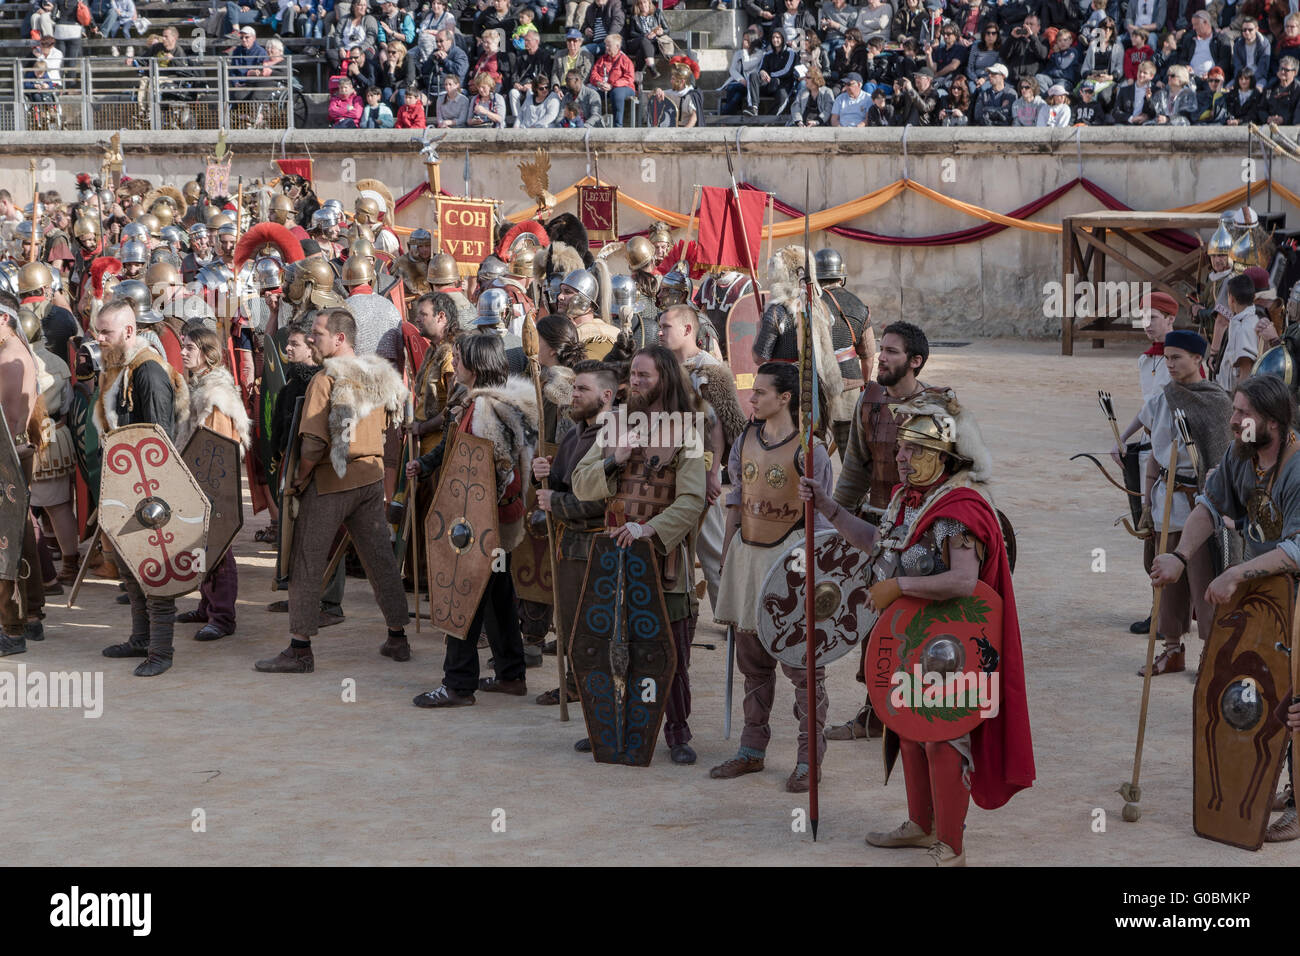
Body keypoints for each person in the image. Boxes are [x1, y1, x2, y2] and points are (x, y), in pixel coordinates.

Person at [800, 387, 1034, 865]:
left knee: (943, 734)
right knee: (907, 727)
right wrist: (828, 506)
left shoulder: (959, 510)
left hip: (951, 646)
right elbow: (877, 542)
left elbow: (965, 580)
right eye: (901, 448)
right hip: (913, 636)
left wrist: (898, 587)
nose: (901, 457)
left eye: (913, 450)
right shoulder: (911, 499)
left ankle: (951, 845)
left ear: (942, 458)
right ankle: (921, 825)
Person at [1149, 373, 1300, 843]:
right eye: (1233, 411)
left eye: (1242, 414)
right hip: (1269, 594)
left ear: (1272, 422)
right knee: (1266, 690)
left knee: (1298, 698)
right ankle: (1283, 783)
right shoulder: (1241, 456)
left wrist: (1236, 572)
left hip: (1296, 591)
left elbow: (1299, 545)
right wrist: (1179, 556)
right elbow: (1210, 510)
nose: (1233, 422)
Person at [570, 346, 708, 763]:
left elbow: (692, 498)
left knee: (668, 652)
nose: (637, 382)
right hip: (615, 557)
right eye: (633, 374)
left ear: (665, 378)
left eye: (645, 375)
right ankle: (608, 722)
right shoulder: (615, 425)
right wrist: (614, 459)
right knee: (612, 644)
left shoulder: (687, 430)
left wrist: (649, 529)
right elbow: (581, 484)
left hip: (662, 561)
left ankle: (677, 733)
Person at [255, 307, 411, 674]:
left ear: (340, 339)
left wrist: (300, 477)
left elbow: (312, 442)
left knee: (307, 561)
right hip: (369, 478)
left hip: (330, 479)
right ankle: (398, 636)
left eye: (318, 333)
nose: (312, 338)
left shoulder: (325, 380)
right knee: (379, 559)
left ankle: (300, 647)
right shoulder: (376, 373)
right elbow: (389, 425)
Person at [711, 362, 835, 791]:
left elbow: (824, 519)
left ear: (785, 398)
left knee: (802, 667)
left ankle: (809, 759)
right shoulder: (744, 439)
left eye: (761, 393)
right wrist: (727, 556)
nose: (753, 399)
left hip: (791, 565)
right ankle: (752, 749)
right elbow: (735, 501)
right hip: (747, 558)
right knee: (753, 664)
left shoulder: (810, 450)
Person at [408, 333, 539, 707]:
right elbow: (457, 445)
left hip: (484, 525)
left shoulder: (487, 409)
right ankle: (511, 674)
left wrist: (474, 521)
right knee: (497, 597)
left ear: (476, 365)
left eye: (461, 359)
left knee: (463, 596)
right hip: (494, 523)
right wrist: (428, 463)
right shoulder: (478, 403)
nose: (455, 364)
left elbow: (498, 469)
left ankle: (458, 684)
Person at [824, 320, 931, 740]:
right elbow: (853, 474)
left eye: (892, 352)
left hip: (923, 530)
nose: (881, 357)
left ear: (915, 362)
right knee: (874, 625)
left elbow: (962, 475)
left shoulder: (941, 406)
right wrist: (835, 529)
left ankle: (917, 711)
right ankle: (874, 711)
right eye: (881, 349)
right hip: (875, 528)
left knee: (918, 624)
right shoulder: (867, 402)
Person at [92, 298, 189, 675]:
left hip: (151, 490)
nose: (99, 339)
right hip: (128, 485)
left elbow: (159, 441)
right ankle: (141, 638)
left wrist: (153, 497)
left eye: (106, 332)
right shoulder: (122, 368)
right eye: (98, 331)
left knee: (154, 567)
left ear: (129, 332)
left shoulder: (148, 372)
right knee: (131, 568)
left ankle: (161, 650)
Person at [1133, 330, 1231, 677]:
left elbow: (1224, 457)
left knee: (1204, 581)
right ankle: (1172, 650)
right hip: (1165, 503)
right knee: (1166, 581)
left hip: (1200, 506)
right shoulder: (1163, 399)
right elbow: (1155, 458)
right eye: (1168, 357)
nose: (1170, 364)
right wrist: (1146, 502)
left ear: (1198, 360)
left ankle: (1212, 655)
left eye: (1177, 357)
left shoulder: (1217, 400)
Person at [530, 359, 615, 705]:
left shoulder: (614, 438)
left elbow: (602, 500)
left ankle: (592, 689)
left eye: (583, 389)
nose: (574, 395)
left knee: (593, 624)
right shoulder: (575, 433)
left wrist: (556, 501)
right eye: (574, 387)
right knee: (568, 620)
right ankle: (574, 683)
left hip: (596, 543)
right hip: (570, 543)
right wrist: (543, 473)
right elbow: (563, 482)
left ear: (606, 395)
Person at [173, 325, 251, 643]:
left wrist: (206, 490)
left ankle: (222, 616)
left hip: (213, 484)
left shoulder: (215, 395)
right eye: (183, 346)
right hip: (199, 481)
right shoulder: (201, 386)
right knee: (203, 546)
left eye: (190, 347)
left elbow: (216, 449)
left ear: (207, 353)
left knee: (218, 549)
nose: (183, 352)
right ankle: (207, 606)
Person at [0, 308, 46, 658]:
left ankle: (12, 628)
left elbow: (10, 424)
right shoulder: (15, 350)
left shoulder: (11, 360)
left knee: (6, 546)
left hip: (7, 461)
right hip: (15, 457)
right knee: (22, 534)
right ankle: (31, 615)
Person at [1216, 273, 1259, 393]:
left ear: (1231, 298)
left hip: (1234, 390)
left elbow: (1246, 368)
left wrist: (1238, 397)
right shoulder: (1246, 319)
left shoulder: (1244, 328)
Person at [750, 26, 799, 115]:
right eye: (773, 37)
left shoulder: (791, 53)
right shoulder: (767, 54)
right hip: (769, 84)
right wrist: (762, 72)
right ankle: (754, 108)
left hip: (783, 85)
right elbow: (761, 69)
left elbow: (787, 71)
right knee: (753, 75)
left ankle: (767, 120)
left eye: (778, 37)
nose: (775, 40)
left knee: (782, 97)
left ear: (783, 38)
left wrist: (770, 75)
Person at [589, 33, 636, 126]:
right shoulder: (602, 59)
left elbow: (629, 78)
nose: (606, 48)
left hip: (624, 88)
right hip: (604, 87)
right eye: (606, 45)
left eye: (609, 46)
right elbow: (594, 74)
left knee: (617, 93)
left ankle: (618, 125)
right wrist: (599, 83)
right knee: (591, 93)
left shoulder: (625, 60)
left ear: (617, 46)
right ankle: (592, 122)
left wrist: (612, 85)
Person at [626, 0, 671, 77]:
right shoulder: (634, 15)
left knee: (641, 51)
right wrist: (645, 35)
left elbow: (667, 29)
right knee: (644, 40)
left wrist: (661, 32)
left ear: (649, 3)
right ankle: (651, 67)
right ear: (638, 5)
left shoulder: (657, 13)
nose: (643, 5)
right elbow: (631, 33)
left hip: (653, 43)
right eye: (640, 3)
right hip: (637, 42)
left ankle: (637, 76)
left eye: (645, 2)